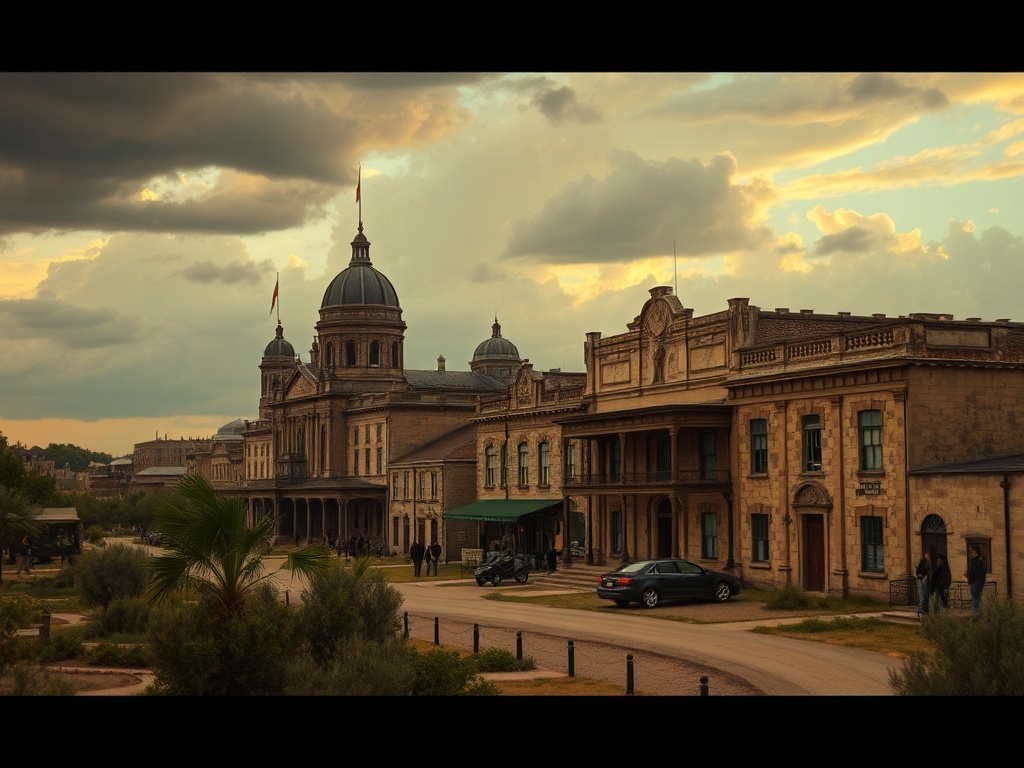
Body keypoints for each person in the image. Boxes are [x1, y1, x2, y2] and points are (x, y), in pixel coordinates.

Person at [966, 545, 987, 615]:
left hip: (977, 582)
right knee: (977, 598)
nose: (972, 554)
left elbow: (981, 572)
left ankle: (976, 614)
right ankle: (977, 613)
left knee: (975, 598)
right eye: (972, 552)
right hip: (975, 582)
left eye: (974, 552)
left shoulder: (979, 560)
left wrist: (976, 580)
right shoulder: (976, 560)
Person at [915, 551, 931, 616]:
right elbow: (919, 571)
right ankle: (922, 611)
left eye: (927, 557)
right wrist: (920, 576)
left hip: (926, 582)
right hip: (923, 581)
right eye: (926, 557)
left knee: (925, 597)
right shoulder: (924, 563)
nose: (926, 558)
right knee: (922, 597)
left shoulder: (930, 563)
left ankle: (924, 611)